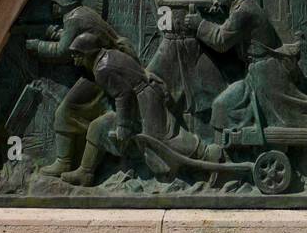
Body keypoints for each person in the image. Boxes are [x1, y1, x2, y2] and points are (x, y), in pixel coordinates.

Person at [59, 32, 220, 187]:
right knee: (97, 127)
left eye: (77, 54)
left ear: (88, 53)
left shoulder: (102, 68)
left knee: (161, 139)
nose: (75, 59)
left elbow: (123, 94)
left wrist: (123, 126)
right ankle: (85, 173)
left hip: (144, 99)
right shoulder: (109, 55)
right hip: (144, 96)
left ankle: (208, 154)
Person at [186, 0, 307, 141]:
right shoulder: (242, 7)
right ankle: (225, 152)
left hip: (266, 76)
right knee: (221, 105)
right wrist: (219, 12)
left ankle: (228, 151)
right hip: (257, 73)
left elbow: (221, 40)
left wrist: (199, 24)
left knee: (224, 106)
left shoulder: (243, 11)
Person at [24, 0, 136, 178]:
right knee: (71, 112)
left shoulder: (74, 18)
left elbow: (63, 51)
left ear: (61, 4)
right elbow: (76, 38)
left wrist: (37, 46)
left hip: (101, 73)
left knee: (65, 111)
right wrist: (56, 33)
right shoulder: (83, 13)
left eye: (55, 5)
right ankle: (75, 162)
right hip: (102, 68)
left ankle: (67, 163)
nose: (53, 10)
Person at [146, 0, 228, 128]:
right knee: (149, 84)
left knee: (212, 88)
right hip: (168, 45)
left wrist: (214, 6)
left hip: (192, 46)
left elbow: (219, 10)